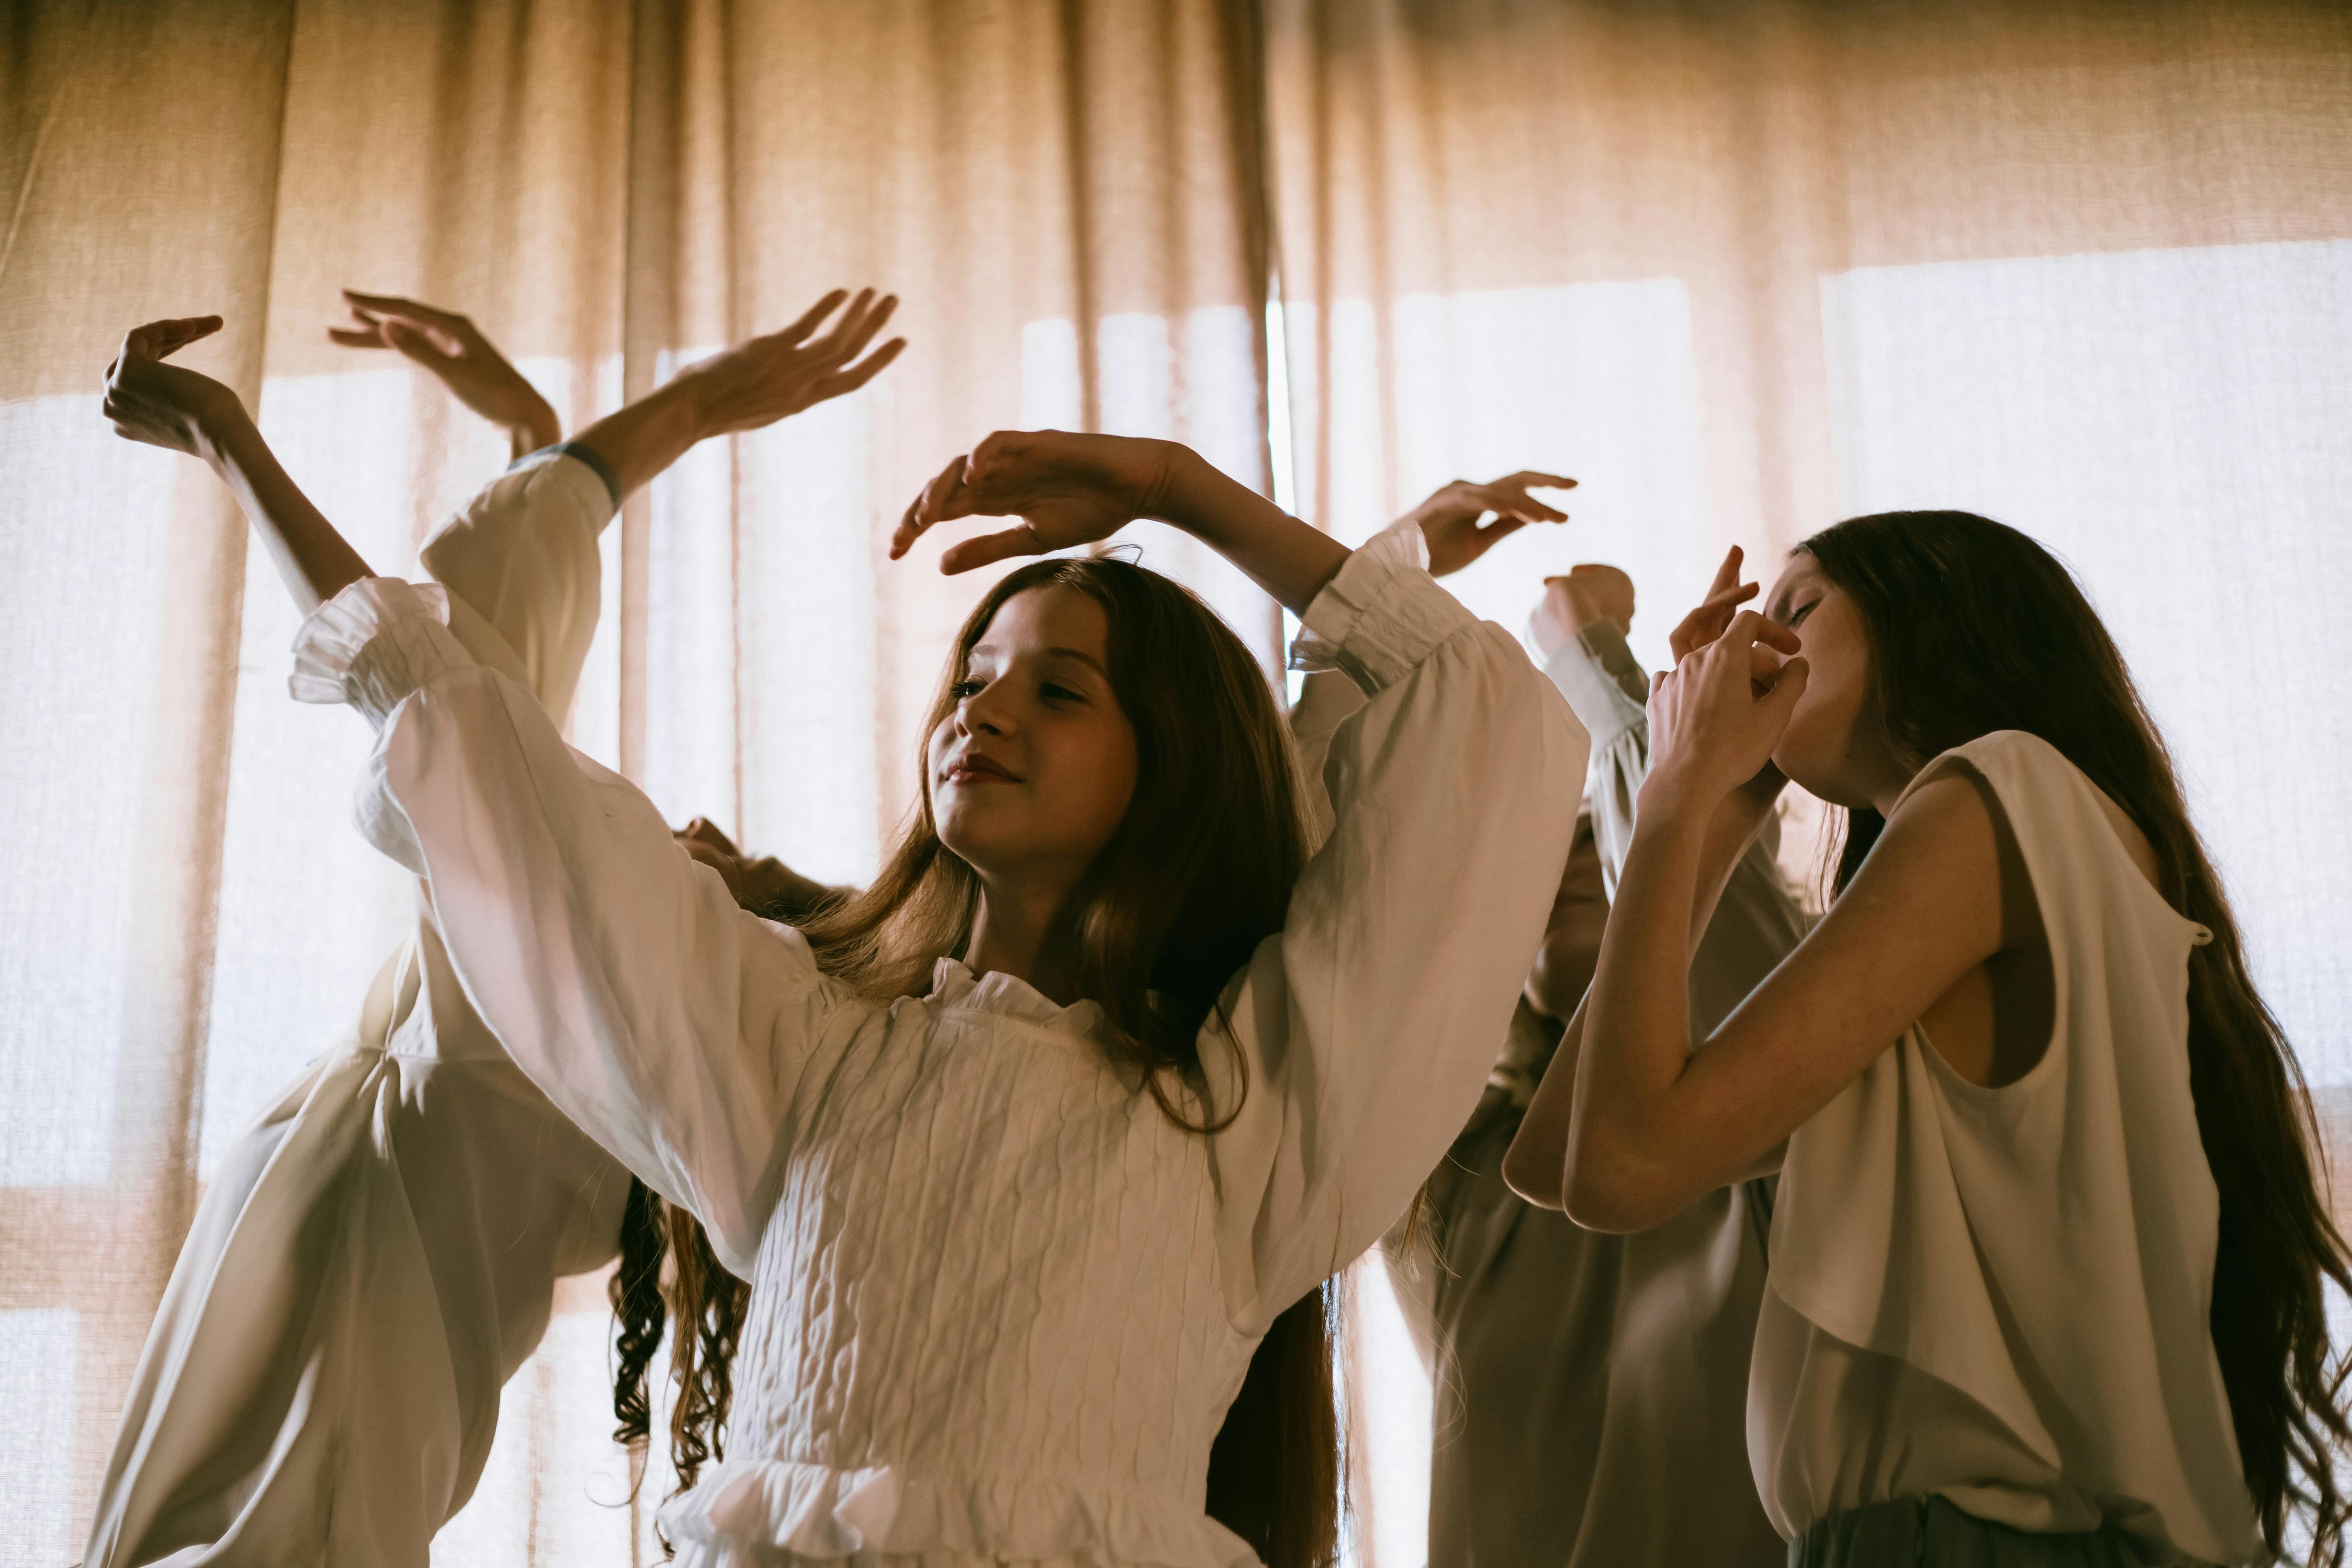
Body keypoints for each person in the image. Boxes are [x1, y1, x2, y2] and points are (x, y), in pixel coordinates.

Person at [99, 321, 1589, 1568]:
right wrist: (238, 450)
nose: (981, 709)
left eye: (1059, 692)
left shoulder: (1244, 1122)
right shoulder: (801, 1056)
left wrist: (1170, 485)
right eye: (975, 673)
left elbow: (1468, 712)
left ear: (1173, 769)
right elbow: (466, 736)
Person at [85, 290, 905, 1568]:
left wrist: (224, 437)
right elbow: (489, 675)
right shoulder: (565, 1071)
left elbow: (436, 683)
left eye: (716, 859)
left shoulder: (542, 1038)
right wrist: (538, 437)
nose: (677, 826)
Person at [1505, 516, 2352, 1565]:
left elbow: (1618, 1166)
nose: (1756, 652)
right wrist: (1717, 800)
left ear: (1934, 619)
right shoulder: (1997, 866)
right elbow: (1555, 1154)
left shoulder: (2001, 789)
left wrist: (1679, 787)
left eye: (1797, 609)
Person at [1296, 519, 1800, 1568]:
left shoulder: (1750, 1126)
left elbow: (1715, 916)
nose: (1570, 866)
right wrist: (1384, 579)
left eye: (1600, 841)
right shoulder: (1447, 1165)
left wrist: (1599, 672)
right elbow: (1317, 896)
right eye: (1537, 856)